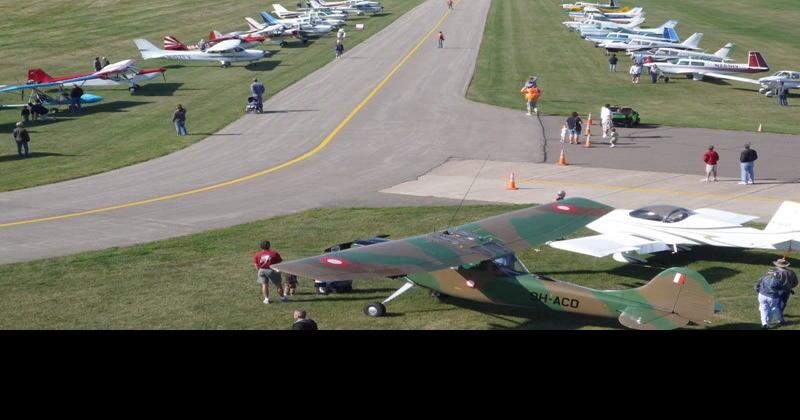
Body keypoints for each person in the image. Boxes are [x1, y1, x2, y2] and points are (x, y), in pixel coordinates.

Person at [253, 240, 288, 304]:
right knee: (278, 284)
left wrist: (259, 270)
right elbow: (279, 262)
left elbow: (256, 264)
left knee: (264, 285)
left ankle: (266, 299)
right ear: (269, 246)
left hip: (262, 270)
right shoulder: (274, 253)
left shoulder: (258, 254)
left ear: (261, 247)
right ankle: (282, 297)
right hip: (272, 270)